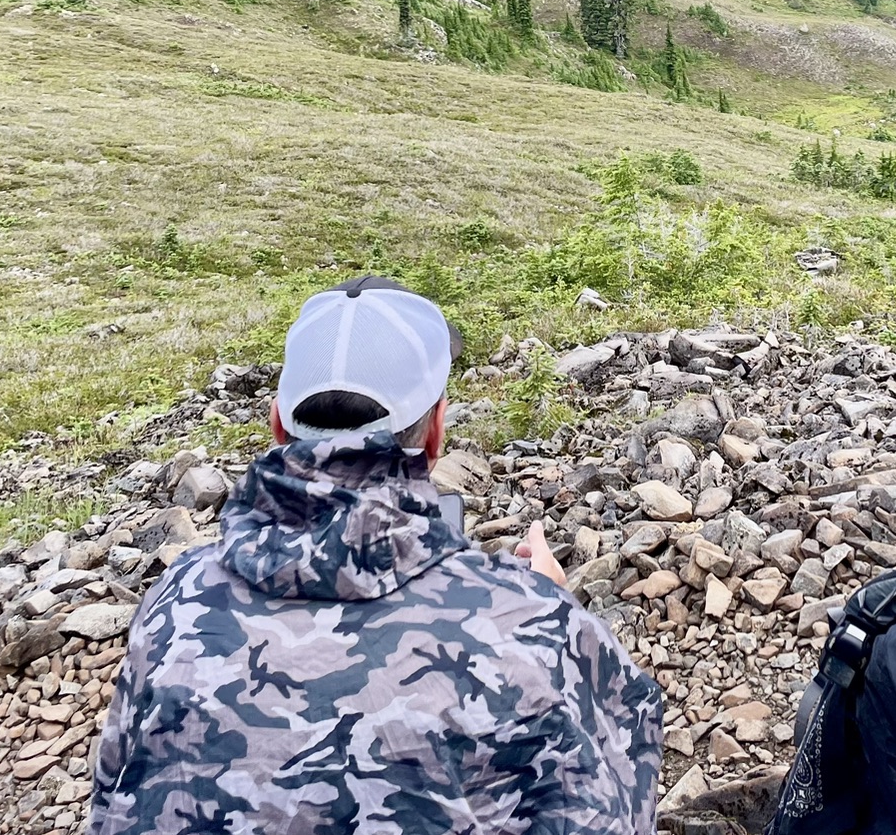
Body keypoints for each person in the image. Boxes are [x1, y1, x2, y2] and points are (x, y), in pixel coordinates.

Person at [86, 276, 663, 834]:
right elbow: (613, 795)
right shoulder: (529, 621)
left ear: (277, 425)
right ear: (436, 432)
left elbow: (113, 797)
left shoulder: (173, 601)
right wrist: (545, 614)